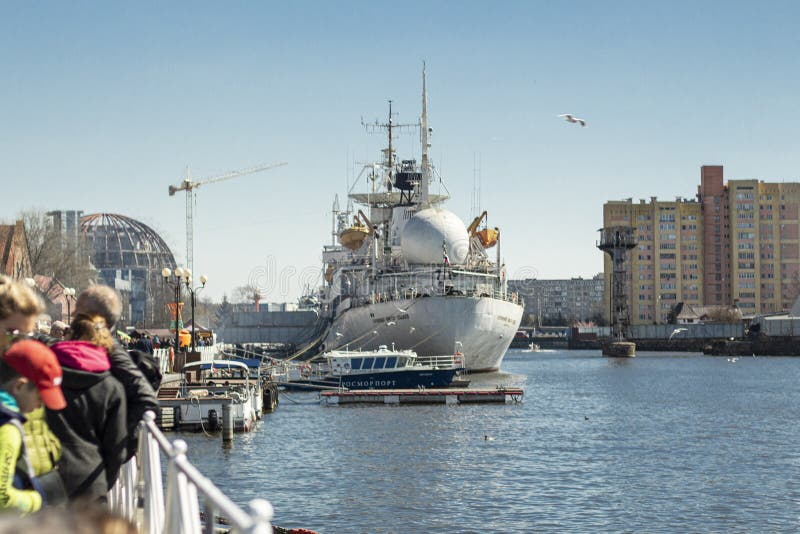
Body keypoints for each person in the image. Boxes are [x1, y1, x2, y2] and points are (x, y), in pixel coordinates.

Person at [46, 313, 128, 501]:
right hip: (91, 478)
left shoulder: (45, 377)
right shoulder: (111, 387)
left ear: (69, 336)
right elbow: (116, 447)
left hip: (47, 477)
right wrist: (104, 483)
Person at [73, 286, 158, 454]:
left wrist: (114, 447)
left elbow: (146, 401)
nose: (72, 316)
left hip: (93, 460)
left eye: (78, 312)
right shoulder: (86, 348)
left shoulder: (114, 354)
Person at [0, 339, 67, 514]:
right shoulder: (8, 429)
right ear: (20, 386)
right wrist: (36, 500)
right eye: (40, 396)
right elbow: (2, 497)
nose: (40, 405)